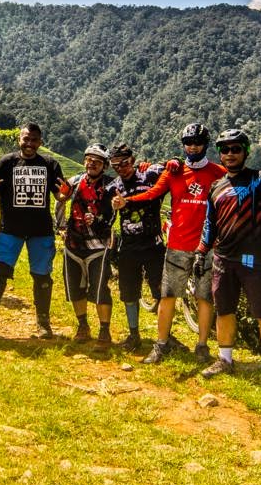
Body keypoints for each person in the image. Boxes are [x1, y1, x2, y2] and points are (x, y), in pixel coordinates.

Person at [198, 130, 261, 394]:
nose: (230, 154)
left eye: (235, 149)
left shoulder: (260, 180)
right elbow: (210, 222)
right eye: (225, 149)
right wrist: (202, 251)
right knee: (224, 311)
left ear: (245, 152)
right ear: (220, 153)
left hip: (254, 261)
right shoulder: (216, 186)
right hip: (223, 259)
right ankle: (225, 360)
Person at [113, 122, 226, 364]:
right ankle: (161, 345)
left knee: (205, 297)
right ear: (183, 145)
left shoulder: (218, 173)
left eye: (197, 142)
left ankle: (203, 346)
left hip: (207, 245)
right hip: (177, 244)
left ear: (205, 144)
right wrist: (128, 201)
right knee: (168, 296)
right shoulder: (174, 171)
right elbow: (153, 193)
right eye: (188, 142)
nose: (192, 147)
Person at [0, 122, 68, 341]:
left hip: (41, 231)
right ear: (19, 140)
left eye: (34, 140)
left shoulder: (50, 164)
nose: (29, 144)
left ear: (40, 142)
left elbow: (59, 196)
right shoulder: (6, 162)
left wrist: (65, 194)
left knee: (42, 276)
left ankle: (43, 324)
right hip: (10, 229)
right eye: (26, 139)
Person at [104, 143, 165, 351]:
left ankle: (165, 337)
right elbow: (106, 215)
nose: (122, 168)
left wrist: (166, 163)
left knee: (160, 291)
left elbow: (174, 166)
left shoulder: (150, 174)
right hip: (129, 246)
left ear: (133, 159)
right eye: (116, 165)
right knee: (129, 292)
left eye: (125, 163)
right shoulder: (114, 186)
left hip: (153, 244)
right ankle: (133, 334)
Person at [55, 143, 116, 346]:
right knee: (74, 287)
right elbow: (60, 200)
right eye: (89, 160)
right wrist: (61, 226)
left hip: (99, 245)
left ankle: (104, 330)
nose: (92, 164)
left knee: (100, 289)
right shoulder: (74, 181)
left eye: (97, 162)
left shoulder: (112, 185)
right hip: (73, 243)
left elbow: (116, 210)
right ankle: (82, 325)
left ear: (104, 166)